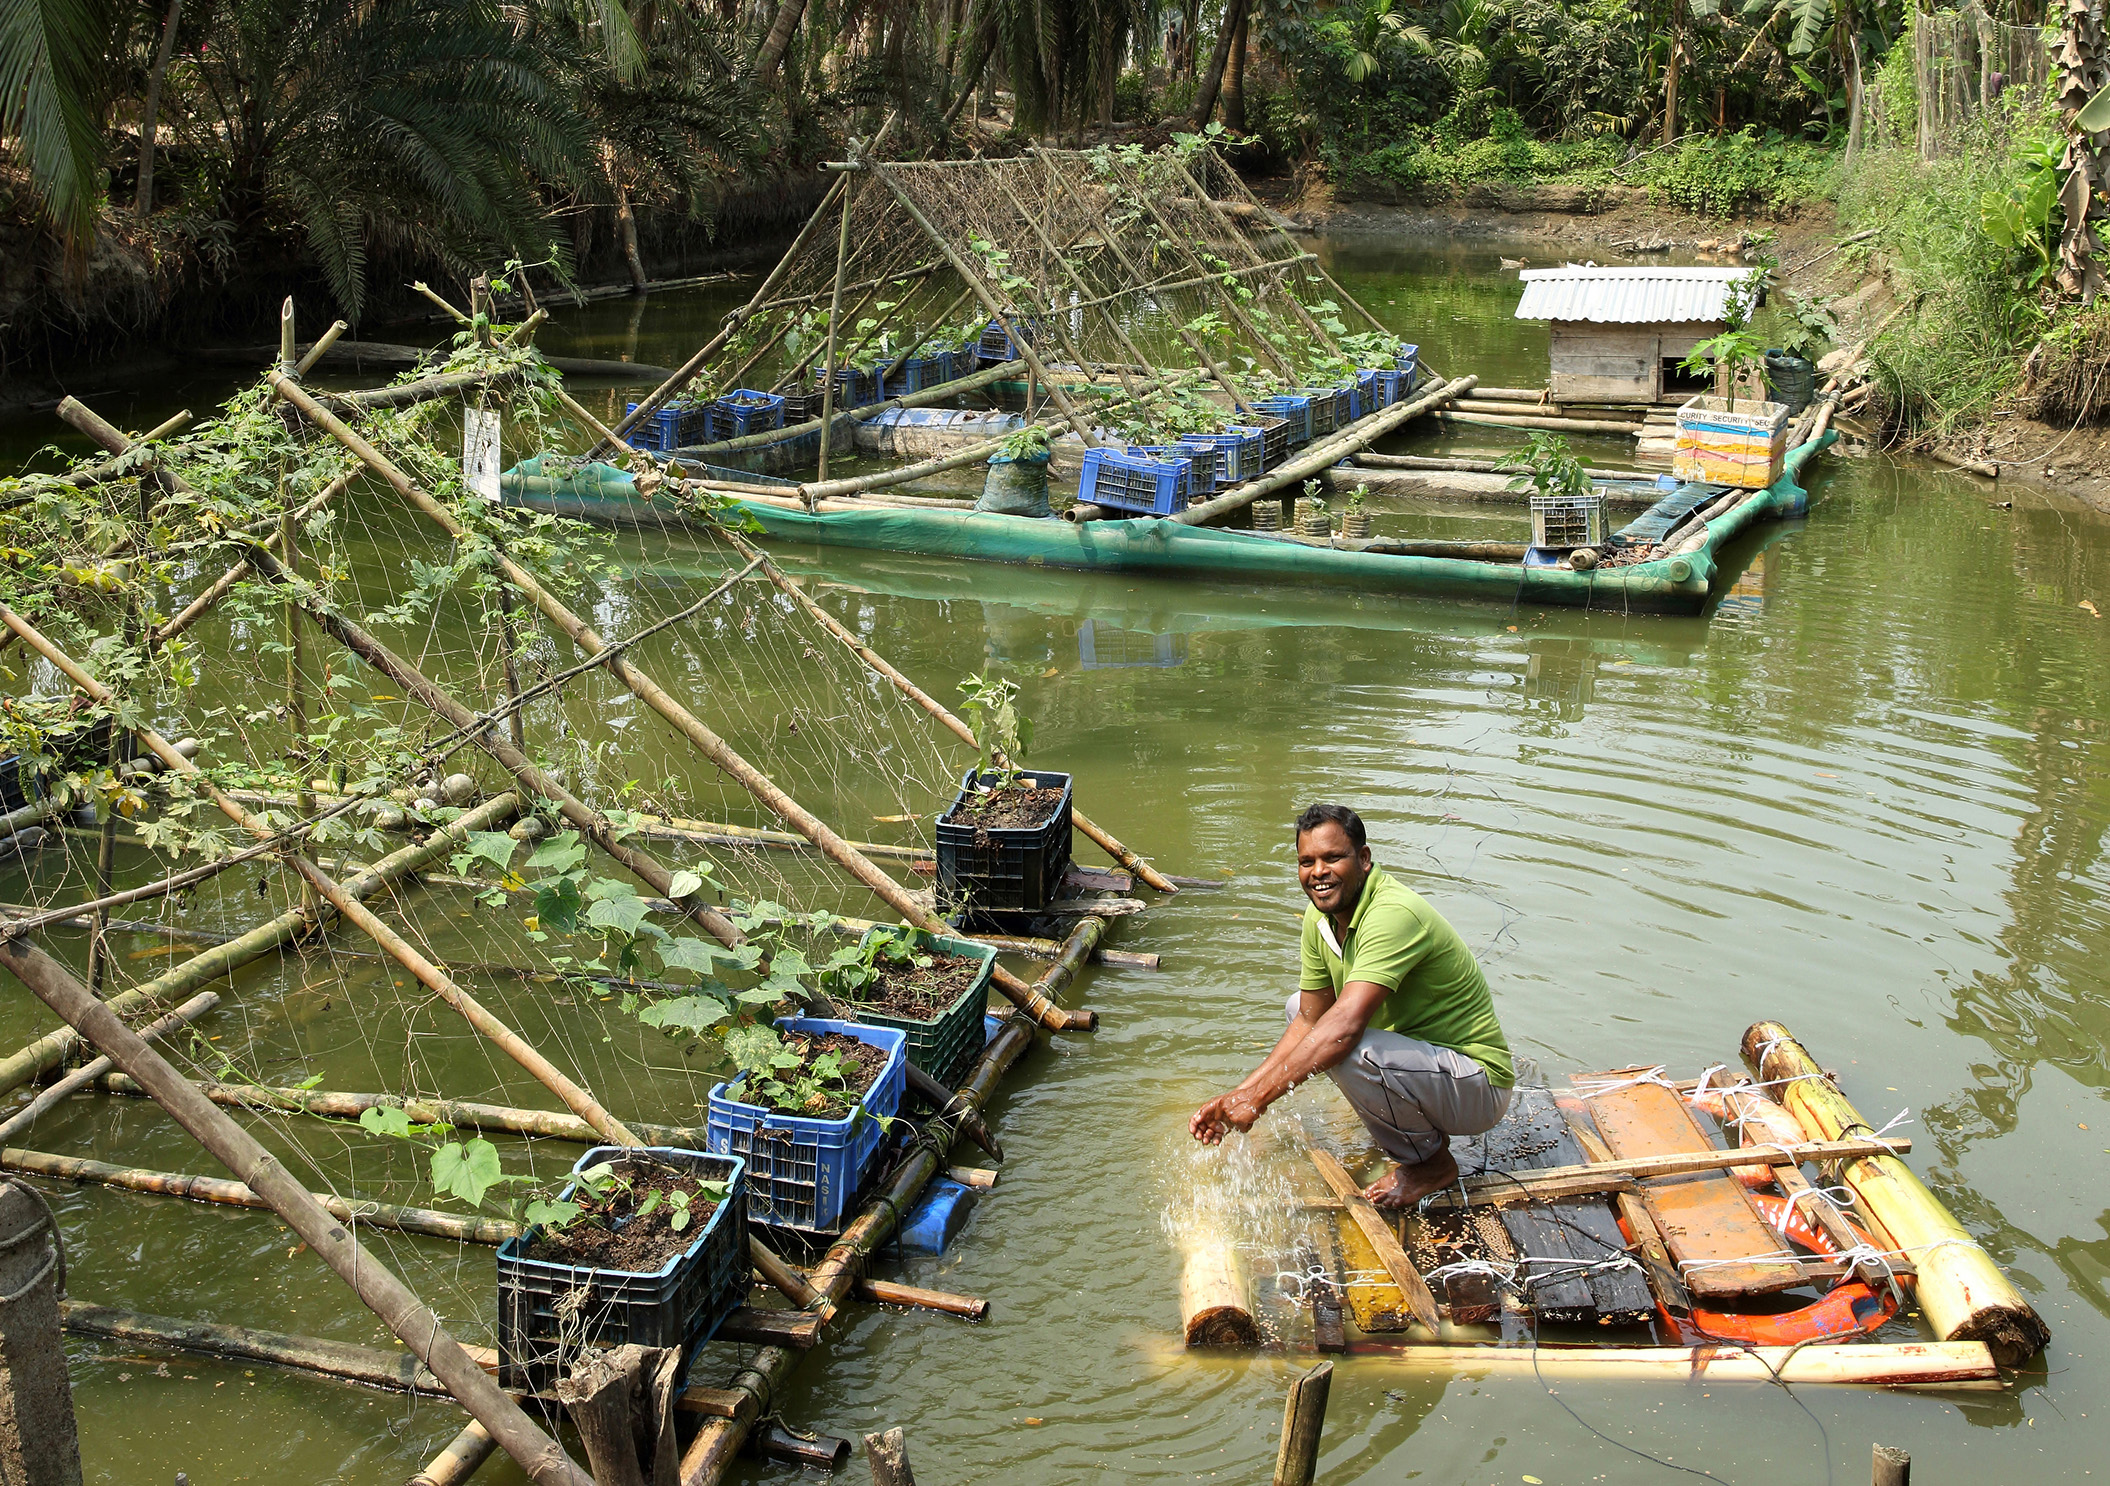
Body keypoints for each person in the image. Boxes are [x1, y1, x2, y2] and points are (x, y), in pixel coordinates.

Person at [1189, 803, 1515, 1207]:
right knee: (1299, 1008)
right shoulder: (1320, 919)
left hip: (1478, 1087)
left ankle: (1430, 1164)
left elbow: (1343, 1028)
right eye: (1306, 862)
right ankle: (1414, 1132)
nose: (1318, 872)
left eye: (1332, 858)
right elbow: (1309, 1018)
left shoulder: (1392, 914)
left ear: (1363, 859)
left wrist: (1259, 1100)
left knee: (1347, 1046)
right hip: (1425, 1070)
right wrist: (1238, 1095)